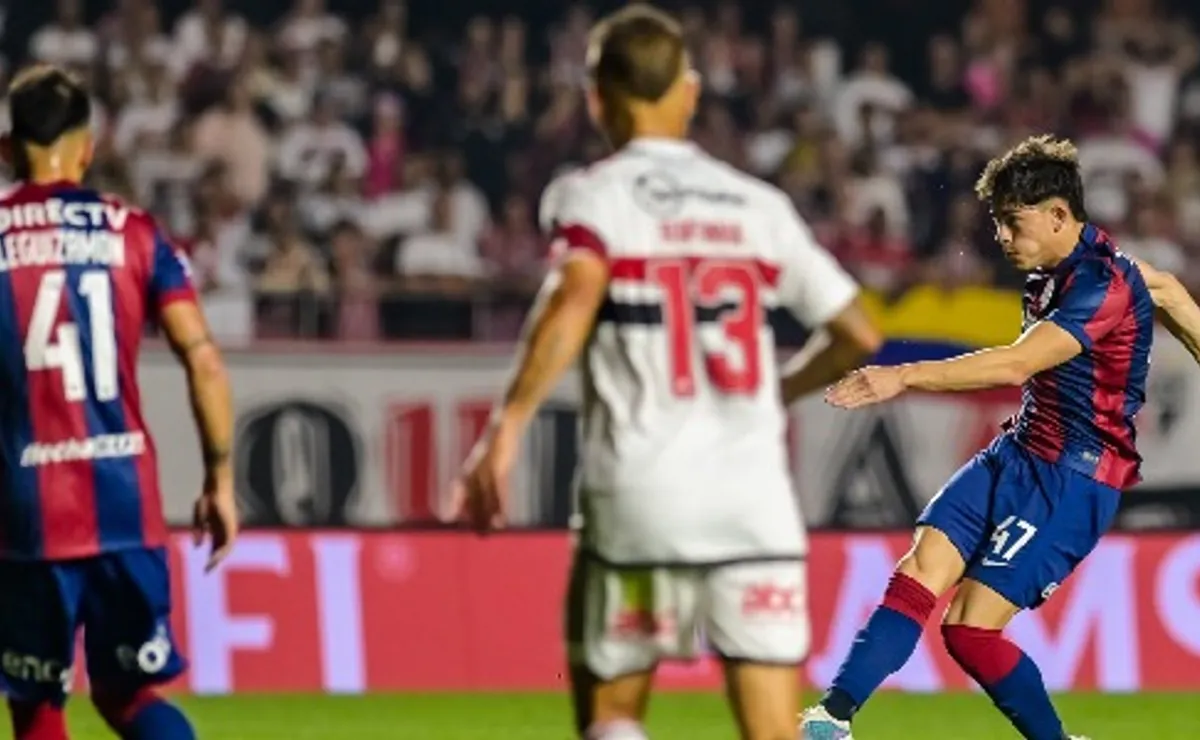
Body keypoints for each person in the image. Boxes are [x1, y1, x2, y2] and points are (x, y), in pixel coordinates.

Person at [453, 6, 881, 740]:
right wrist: (776, 393)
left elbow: (574, 295)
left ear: (596, 98)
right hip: (753, 504)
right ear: (689, 93)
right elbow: (858, 333)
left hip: (641, 495)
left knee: (614, 719)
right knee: (774, 733)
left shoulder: (591, 195)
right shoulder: (759, 206)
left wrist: (506, 427)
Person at [799, 134, 1152, 740]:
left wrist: (904, 375)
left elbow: (1018, 364)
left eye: (1013, 223)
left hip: (1072, 476)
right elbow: (1167, 288)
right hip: (1017, 452)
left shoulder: (1103, 283)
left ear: (1059, 215)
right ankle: (830, 719)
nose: (1002, 239)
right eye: (998, 225)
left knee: (967, 629)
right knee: (919, 568)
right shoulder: (1054, 271)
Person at [0, 65, 238, 740]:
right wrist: (220, 478)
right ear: (87, 148)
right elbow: (203, 357)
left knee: (38, 703)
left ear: (6, 149)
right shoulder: (136, 233)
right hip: (124, 502)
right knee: (129, 695)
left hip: (28, 509)